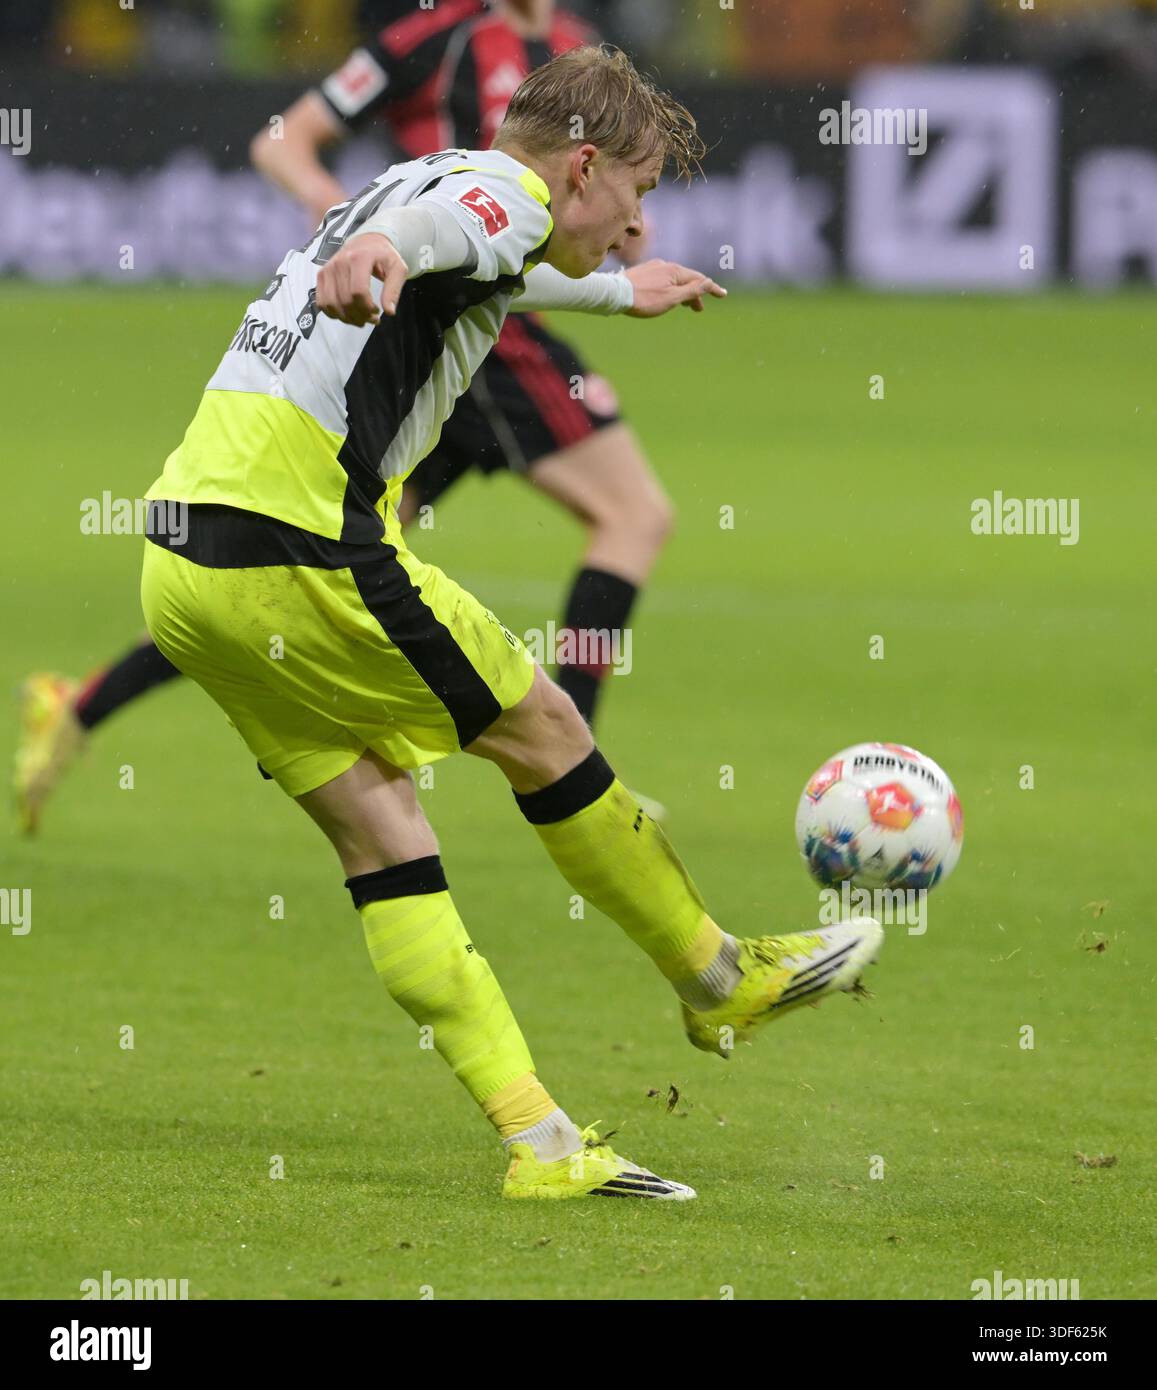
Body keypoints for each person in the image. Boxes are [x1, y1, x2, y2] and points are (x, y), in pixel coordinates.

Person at [138, 45, 883, 1201]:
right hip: (304, 545)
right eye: (633, 200)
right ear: (581, 168)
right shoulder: (499, 198)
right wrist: (379, 255)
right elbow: (442, 241)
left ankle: (540, 1146)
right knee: (545, 729)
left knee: (383, 836)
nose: (635, 228)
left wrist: (608, 292)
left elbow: (461, 252)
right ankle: (715, 974)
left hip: (184, 559)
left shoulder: (431, 174)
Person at [12, 2, 671, 834]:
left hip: (456, 334)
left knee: (310, 565)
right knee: (631, 514)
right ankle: (581, 770)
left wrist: (617, 253)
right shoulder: (433, 36)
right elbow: (281, 140)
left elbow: (586, 202)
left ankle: (78, 705)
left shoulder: (577, 55)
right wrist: (361, 231)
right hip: (428, 322)